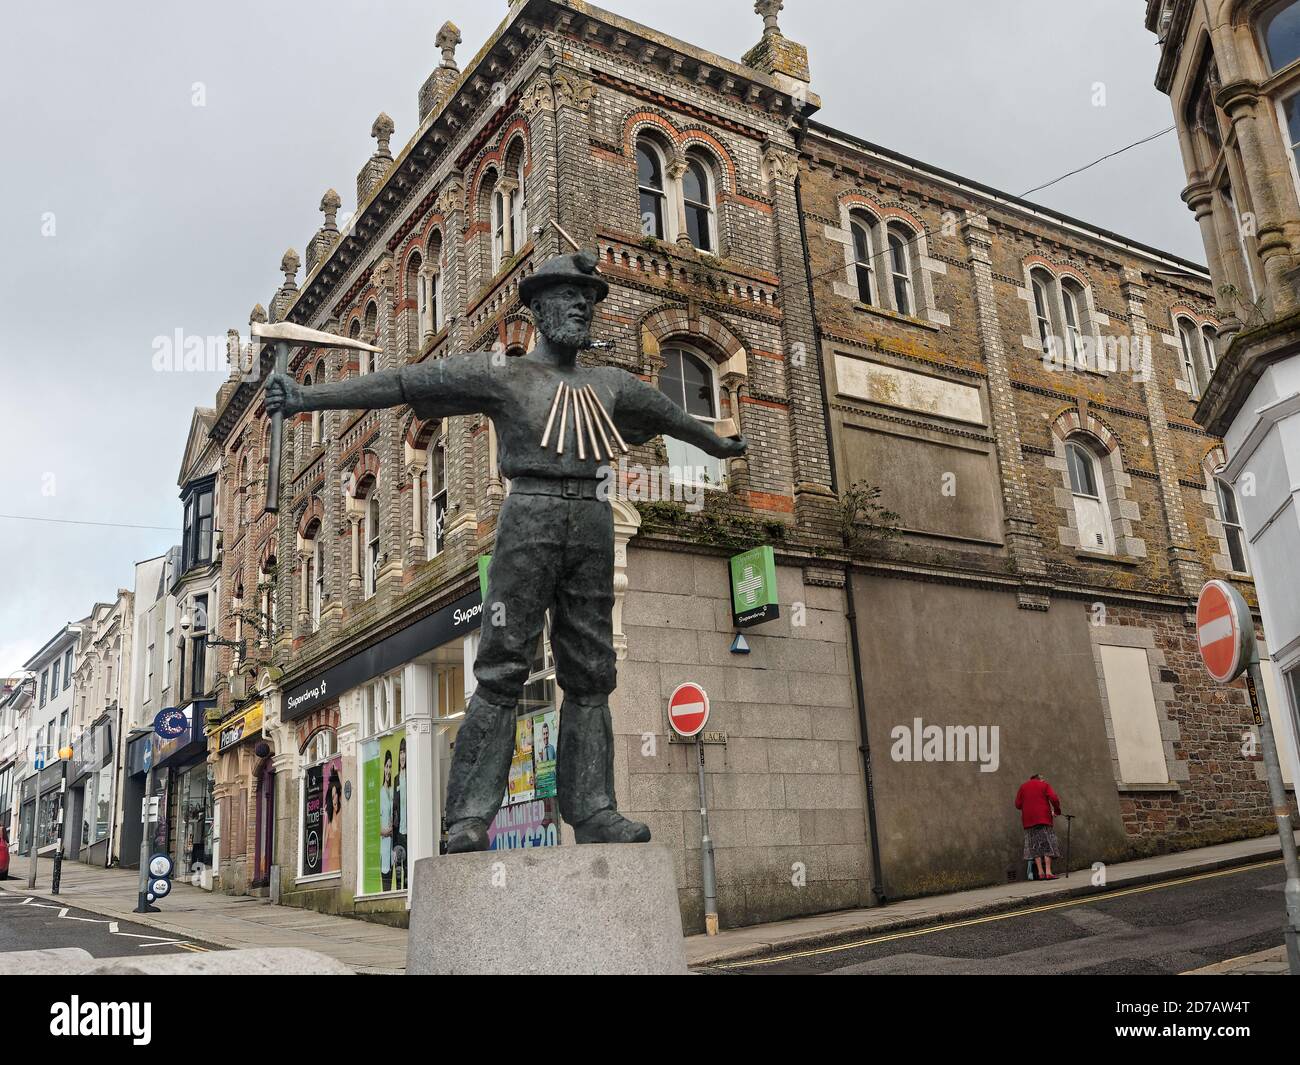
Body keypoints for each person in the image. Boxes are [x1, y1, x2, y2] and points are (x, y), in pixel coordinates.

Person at [265, 250, 746, 852]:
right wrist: (309, 401)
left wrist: (718, 444)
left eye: (588, 299)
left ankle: (594, 807)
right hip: (531, 513)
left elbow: (677, 419)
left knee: (592, 670)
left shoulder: (612, 385)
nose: (580, 307)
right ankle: (468, 816)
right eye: (568, 296)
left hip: (594, 515)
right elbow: (402, 384)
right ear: (539, 310)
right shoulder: (505, 374)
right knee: (502, 667)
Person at [1015, 773, 1063, 880]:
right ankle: (1048, 872)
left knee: (1034, 846)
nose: (1044, 781)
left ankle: (1040, 873)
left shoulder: (1023, 787)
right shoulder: (1044, 785)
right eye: (1043, 780)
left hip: (1028, 821)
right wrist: (1057, 811)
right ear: (1040, 779)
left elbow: (1018, 804)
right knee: (1047, 844)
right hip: (1043, 819)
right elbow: (1054, 798)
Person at [393, 739, 408, 890]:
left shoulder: (411, 775)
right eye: (401, 752)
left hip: (410, 829)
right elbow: (394, 806)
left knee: (409, 863)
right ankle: (400, 890)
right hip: (400, 831)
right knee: (399, 864)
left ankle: (408, 888)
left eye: (405, 752)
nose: (402, 756)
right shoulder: (397, 778)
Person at [322, 767, 343, 875]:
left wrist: (338, 771)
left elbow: (344, 786)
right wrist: (322, 855)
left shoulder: (341, 812)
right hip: (331, 856)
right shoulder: (329, 816)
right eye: (332, 795)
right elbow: (325, 837)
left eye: (336, 795)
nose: (334, 798)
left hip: (339, 855)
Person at [379, 750, 394, 891]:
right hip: (383, 845)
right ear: (383, 767)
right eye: (387, 766)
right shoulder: (381, 793)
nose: (388, 770)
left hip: (392, 845)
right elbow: (373, 824)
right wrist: (384, 831)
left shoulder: (392, 791)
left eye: (390, 767)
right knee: (385, 885)